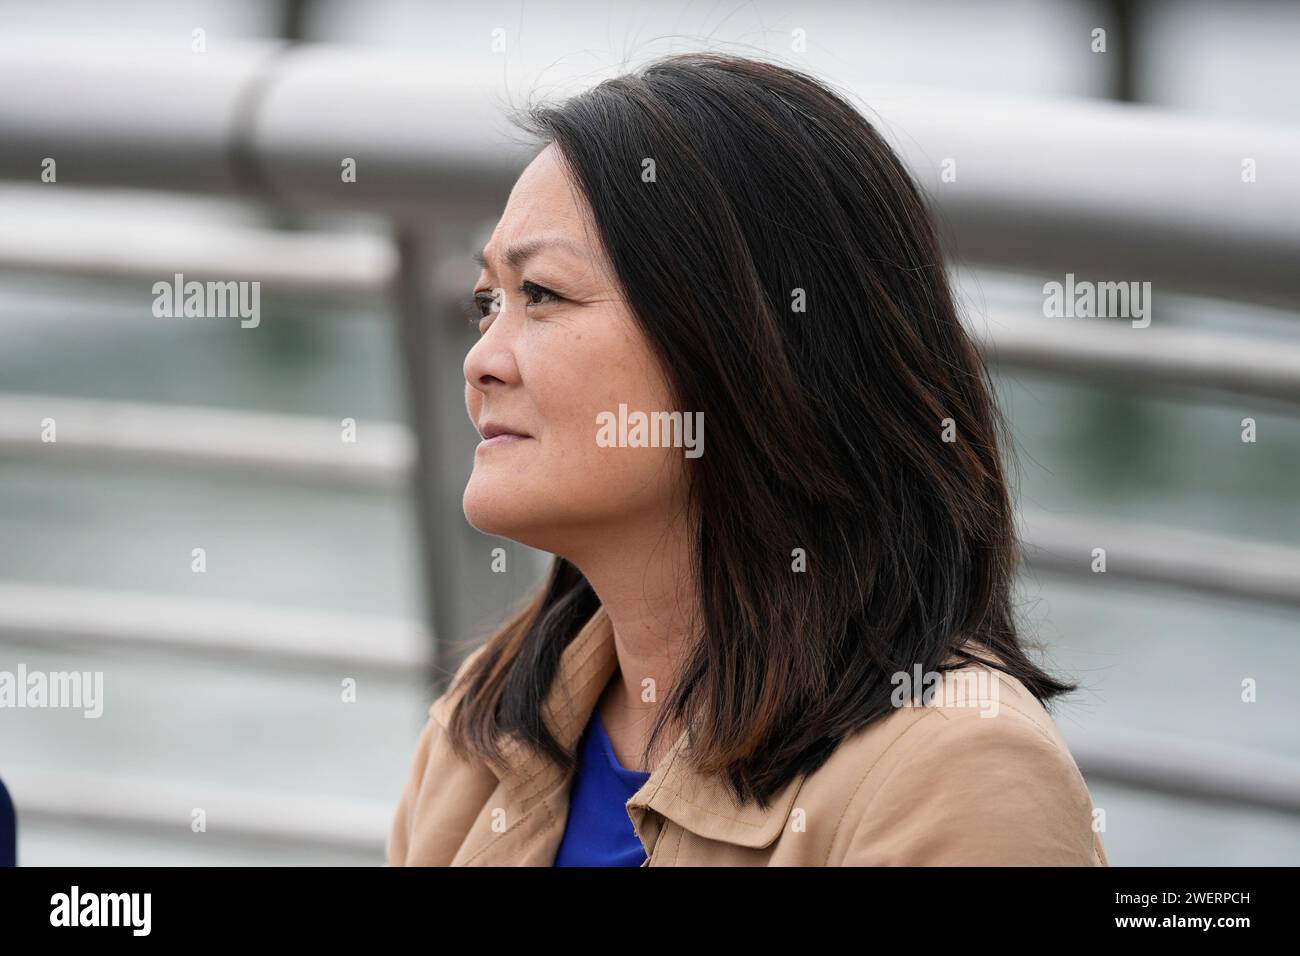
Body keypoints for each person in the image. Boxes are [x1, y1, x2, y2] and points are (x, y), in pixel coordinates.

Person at [386, 52, 1109, 867]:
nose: (481, 360)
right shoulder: (487, 726)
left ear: (741, 346)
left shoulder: (955, 775)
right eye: (488, 303)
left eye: (542, 294)